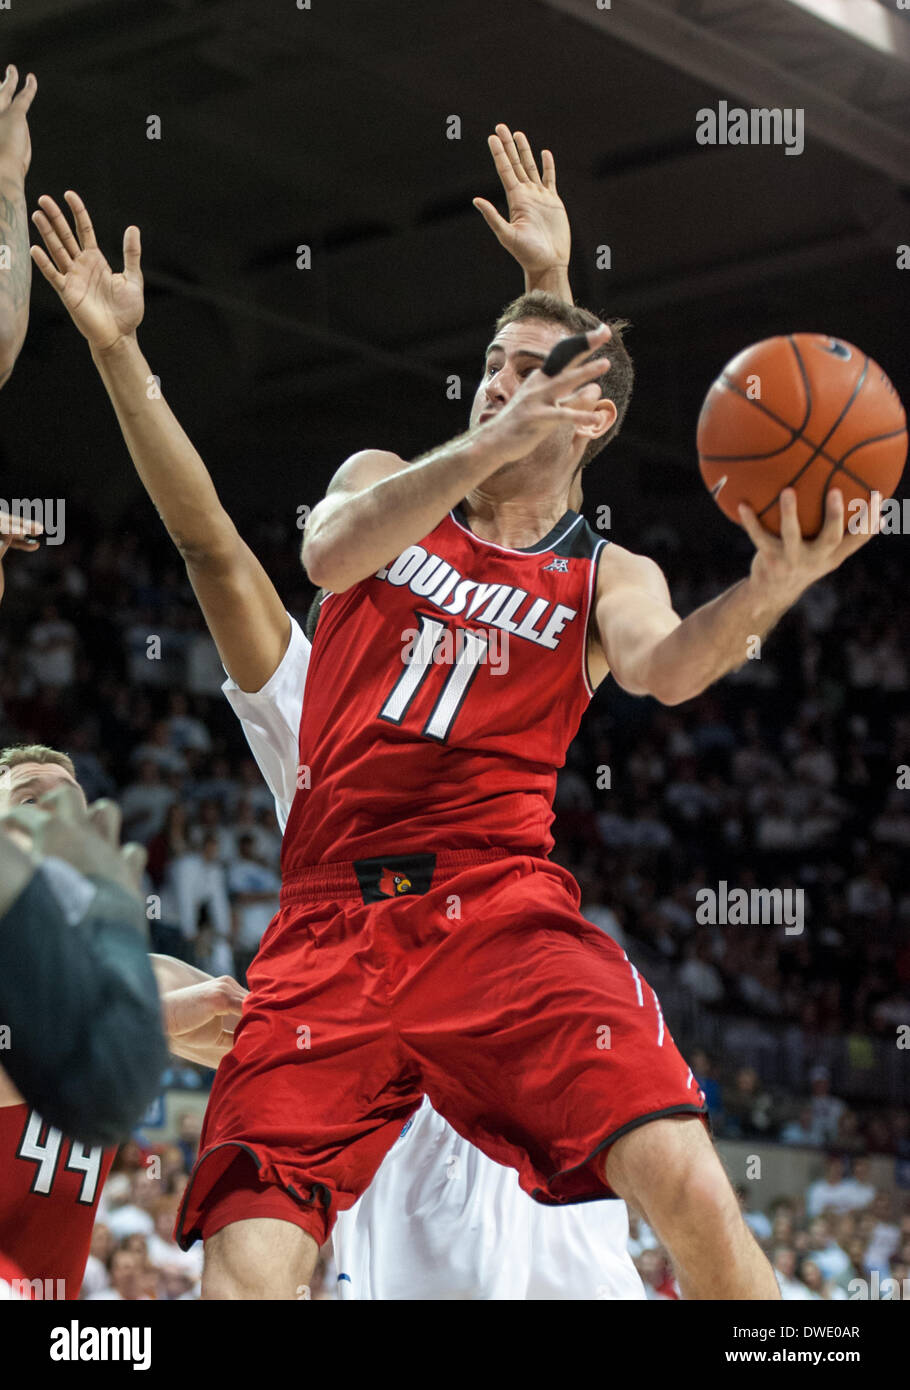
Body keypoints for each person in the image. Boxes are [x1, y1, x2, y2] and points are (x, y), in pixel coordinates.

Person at [36, 121, 875, 1299]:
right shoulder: (389, 488)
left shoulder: (603, 572)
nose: (494, 383)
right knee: (246, 1264)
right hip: (331, 927)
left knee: (687, 1179)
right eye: (485, 365)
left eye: (523, 374)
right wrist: (509, 397)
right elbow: (310, 552)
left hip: (492, 906)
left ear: (584, 416)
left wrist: (771, 588)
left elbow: (670, 666)